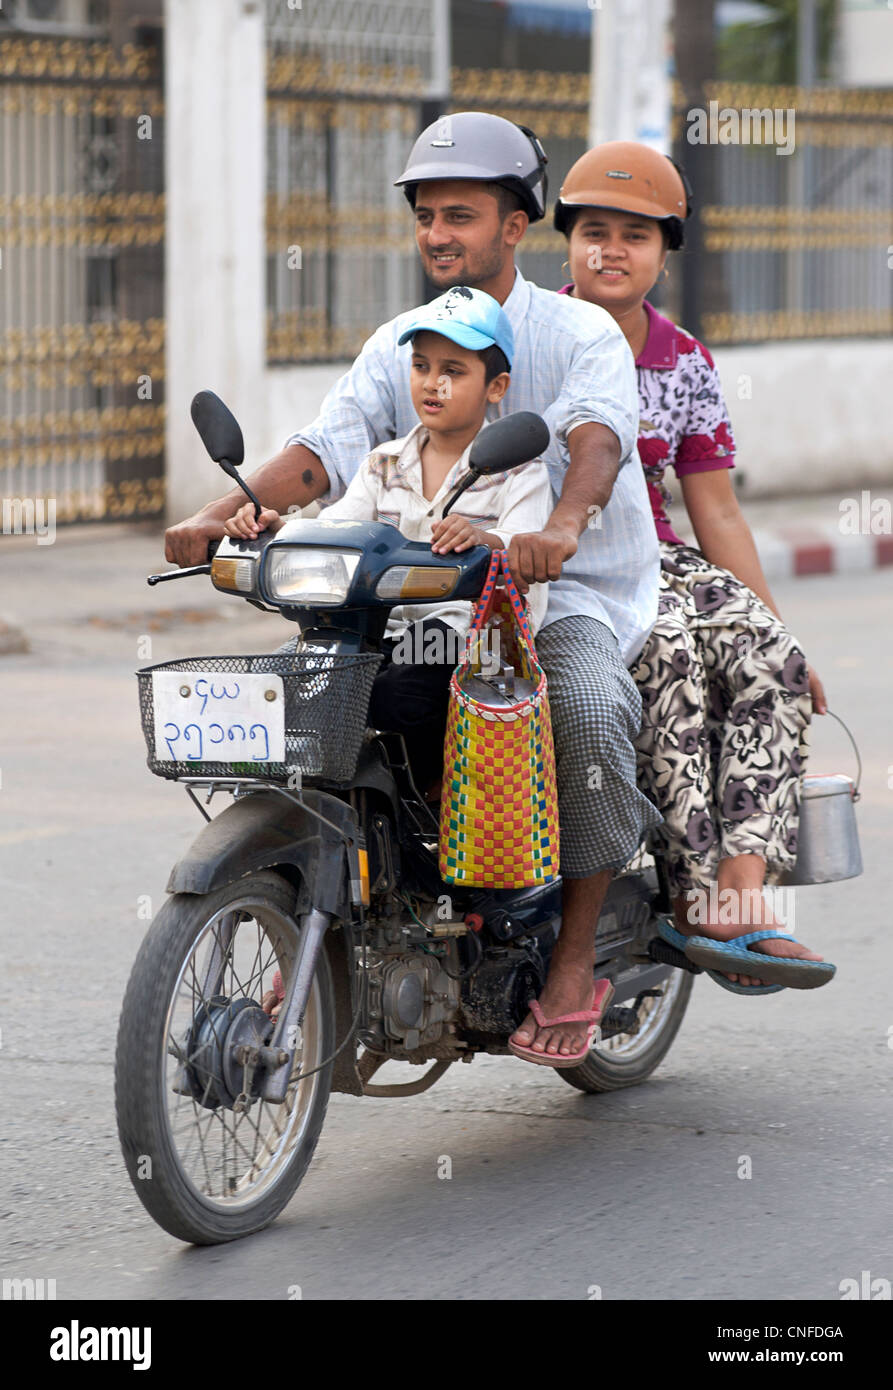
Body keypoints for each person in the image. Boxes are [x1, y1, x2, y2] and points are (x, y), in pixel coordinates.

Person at [166, 111, 663, 1064]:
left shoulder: (580, 332)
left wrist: (559, 529)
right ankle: (334, 903)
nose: (438, 233)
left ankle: (569, 965)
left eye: (461, 215)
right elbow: (327, 453)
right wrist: (218, 518)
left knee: (589, 714)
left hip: (559, 590)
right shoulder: (403, 342)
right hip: (415, 594)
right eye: (426, 214)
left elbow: (596, 437)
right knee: (316, 702)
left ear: (515, 226)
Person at [553, 141, 836, 993]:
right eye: (592, 232)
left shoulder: (684, 362)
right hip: (570, 566)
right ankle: (696, 900)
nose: (610, 250)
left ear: (664, 253)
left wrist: (777, 625)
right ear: (563, 242)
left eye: (634, 236)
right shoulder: (534, 337)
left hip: (661, 557)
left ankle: (745, 901)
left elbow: (715, 510)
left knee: (771, 660)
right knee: (669, 657)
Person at [224, 285, 551, 793]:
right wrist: (278, 526)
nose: (432, 383)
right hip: (378, 627)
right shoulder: (383, 461)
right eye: (422, 366)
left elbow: (523, 548)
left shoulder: (518, 473)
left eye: (453, 371)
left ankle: (434, 803)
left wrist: (485, 538)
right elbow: (341, 531)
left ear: (496, 386)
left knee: (399, 691)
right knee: (291, 682)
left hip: (471, 640)